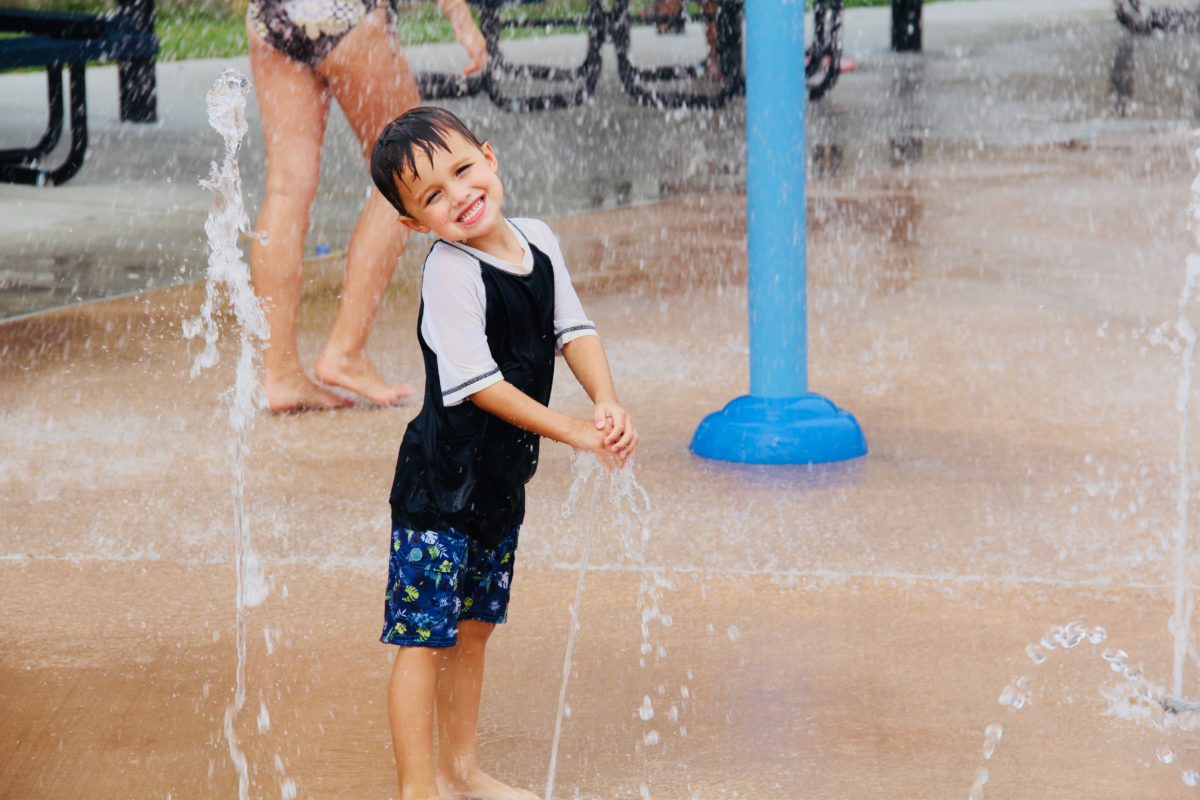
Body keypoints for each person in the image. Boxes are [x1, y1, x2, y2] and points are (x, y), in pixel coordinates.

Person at [369, 106, 638, 800]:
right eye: (431, 195)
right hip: (438, 485)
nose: (457, 194)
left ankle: (461, 773)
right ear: (413, 223)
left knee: (475, 629)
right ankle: (416, 789)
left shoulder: (538, 241)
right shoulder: (450, 272)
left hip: (498, 482)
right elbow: (479, 385)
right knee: (424, 637)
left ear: (489, 157)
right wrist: (574, 430)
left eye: (462, 170)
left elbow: (573, 329)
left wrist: (604, 400)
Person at [244, 0, 487, 412]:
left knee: (286, 189)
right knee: (405, 176)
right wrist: (461, 18)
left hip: (272, 15)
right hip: (343, 14)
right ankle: (347, 351)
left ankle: (280, 373)